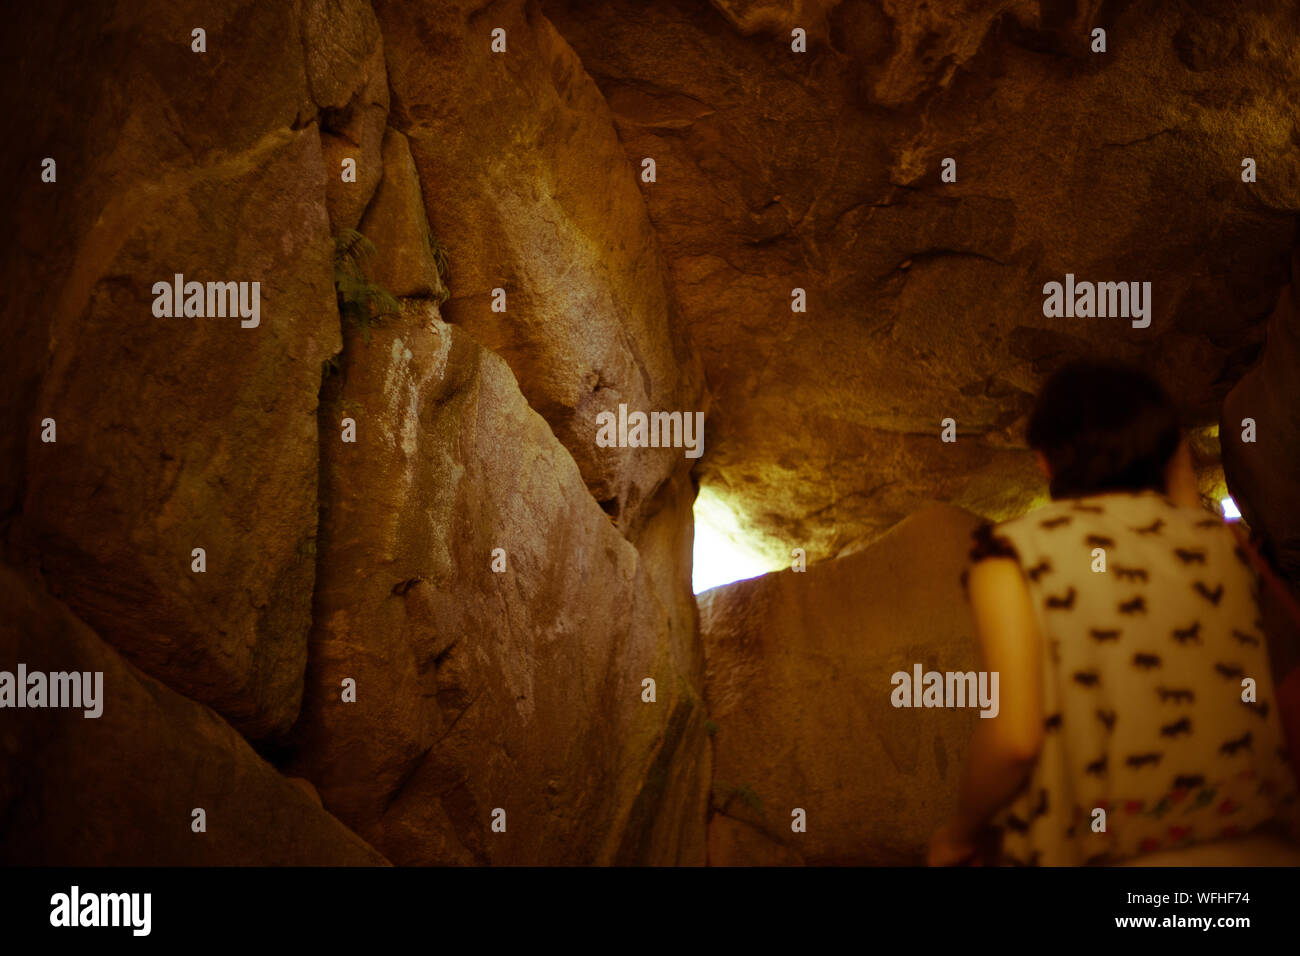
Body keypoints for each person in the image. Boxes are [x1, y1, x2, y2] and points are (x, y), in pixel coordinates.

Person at [928, 360, 1300, 866]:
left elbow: (1015, 738)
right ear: (1169, 451)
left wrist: (959, 831)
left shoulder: (1011, 553)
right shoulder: (1223, 545)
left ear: (1043, 459)